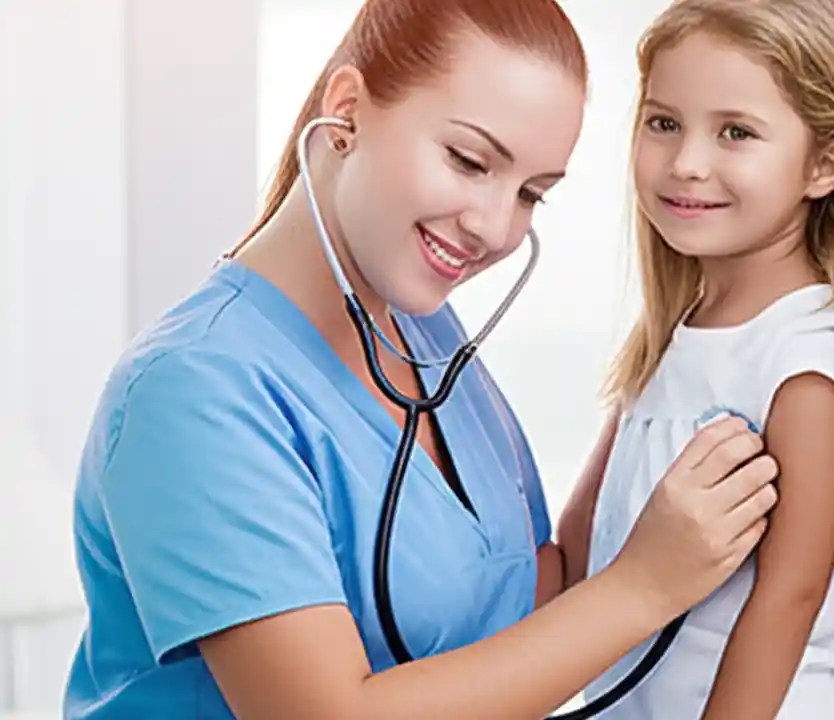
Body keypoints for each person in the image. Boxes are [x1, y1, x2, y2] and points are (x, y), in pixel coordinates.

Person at [61, 1, 782, 718]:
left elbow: (524, 606)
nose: (495, 227)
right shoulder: (192, 391)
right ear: (346, 110)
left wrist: (668, 364)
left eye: (531, 194)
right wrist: (645, 586)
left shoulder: (425, 336)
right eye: (470, 162)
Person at [556, 0, 834, 716]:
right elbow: (582, 542)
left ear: (825, 165)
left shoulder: (811, 355)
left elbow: (791, 596)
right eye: (664, 123)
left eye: (736, 133)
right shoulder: (671, 338)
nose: (686, 163)